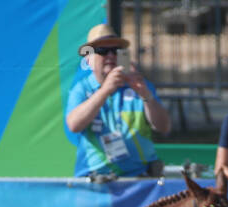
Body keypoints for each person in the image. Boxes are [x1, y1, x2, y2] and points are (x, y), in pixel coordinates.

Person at [65, 23, 170, 179]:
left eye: (116, 50)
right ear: (89, 59)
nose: (111, 56)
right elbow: (74, 125)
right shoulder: (82, 88)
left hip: (141, 180)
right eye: (102, 51)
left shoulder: (141, 85)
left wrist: (145, 94)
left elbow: (164, 127)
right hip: (96, 182)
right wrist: (105, 90)